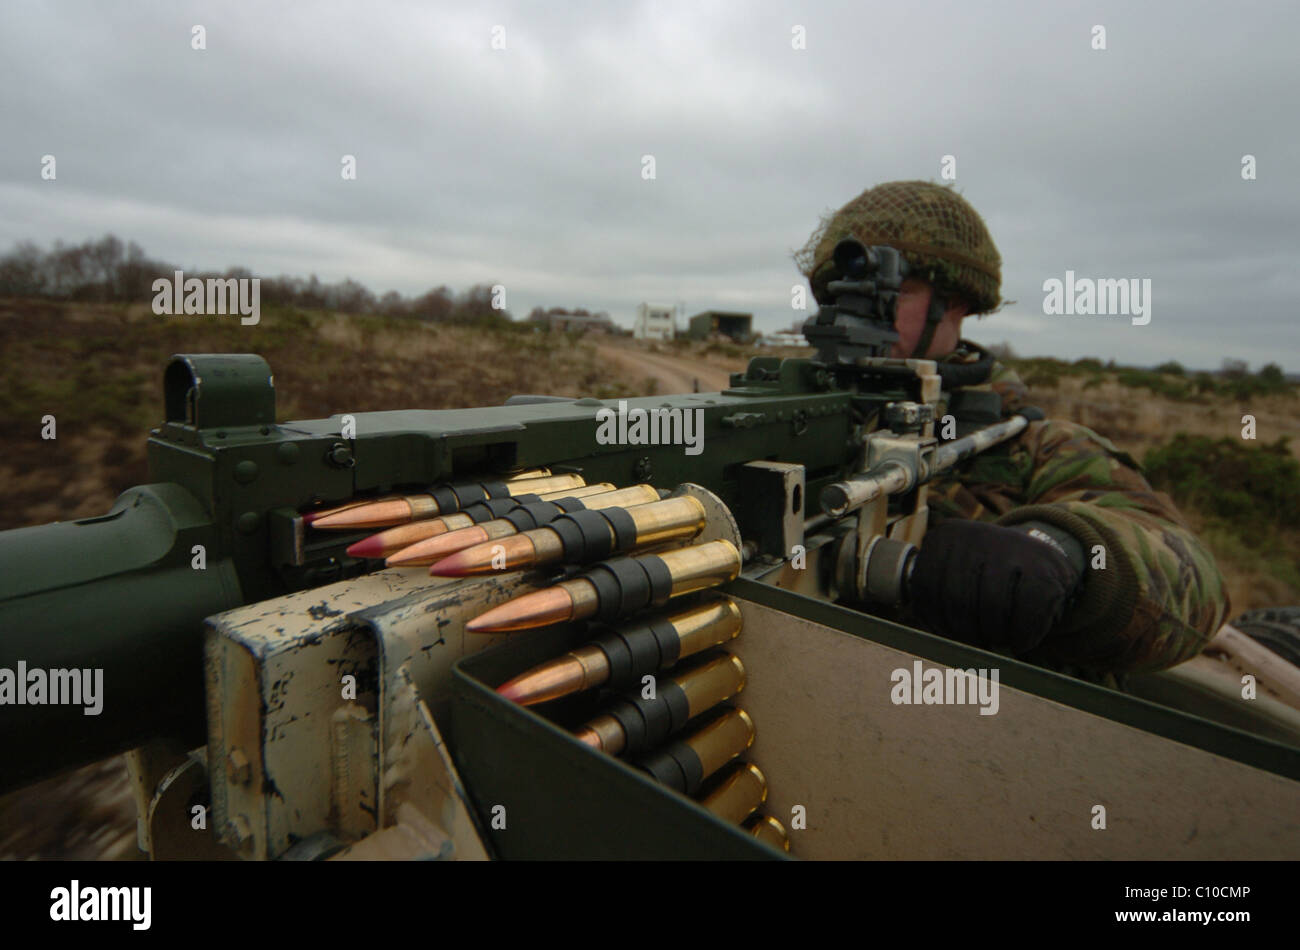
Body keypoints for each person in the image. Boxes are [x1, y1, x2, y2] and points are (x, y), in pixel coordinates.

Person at [796, 180, 1229, 678]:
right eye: (838, 294)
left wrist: (1066, 554)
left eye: (894, 293)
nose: (852, 312)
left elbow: (1195, 589)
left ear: (956, 303)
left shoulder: (1030, 444)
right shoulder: (798, 421)